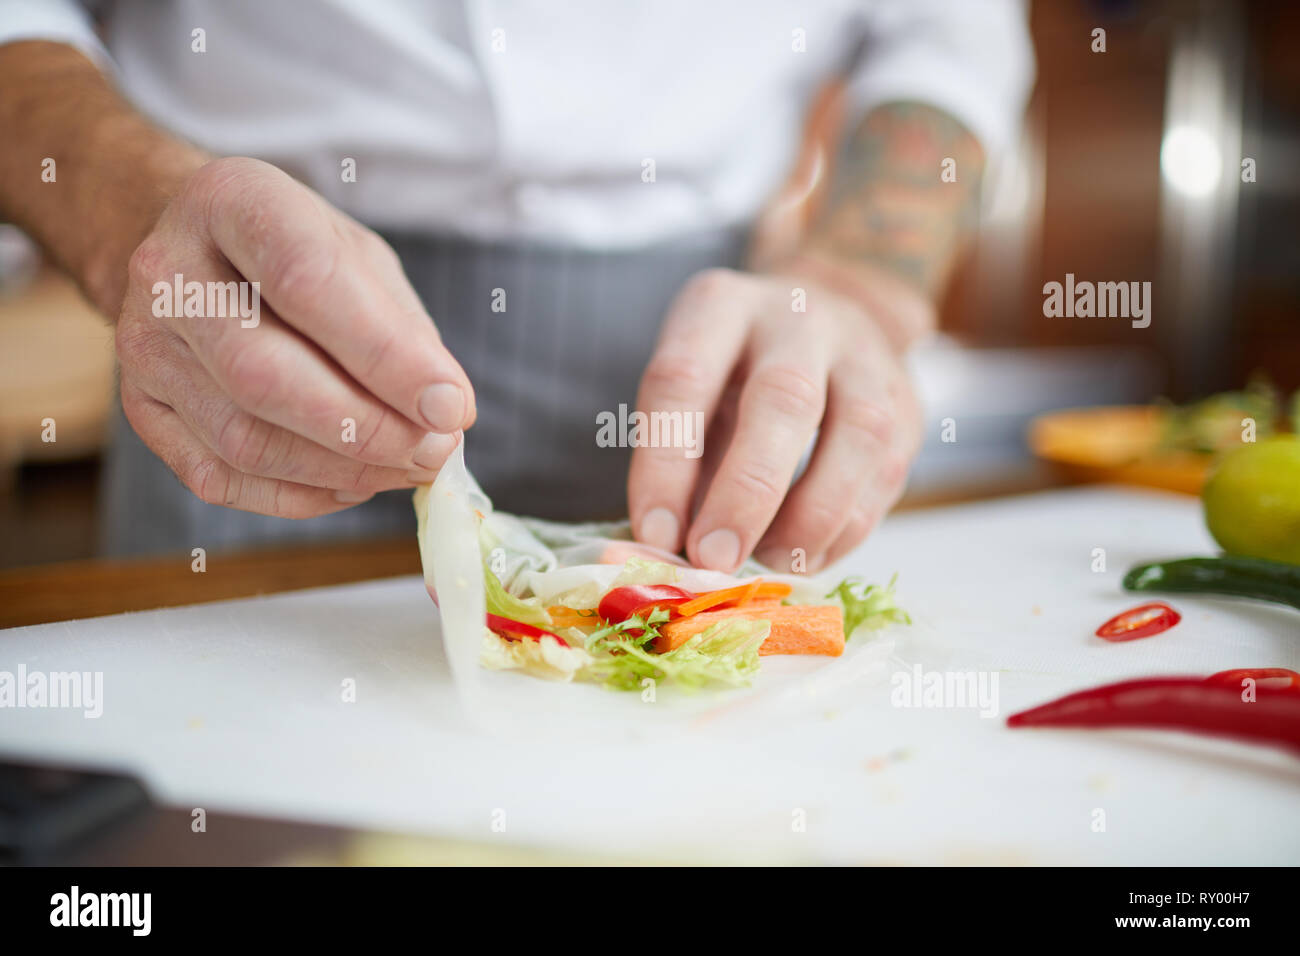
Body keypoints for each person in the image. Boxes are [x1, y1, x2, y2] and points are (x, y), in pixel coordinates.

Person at [0, 1, 1033, 573]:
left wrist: (858, 277)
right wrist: (120, 206)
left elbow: (950, 29)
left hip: (702, 374)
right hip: (233, 324)